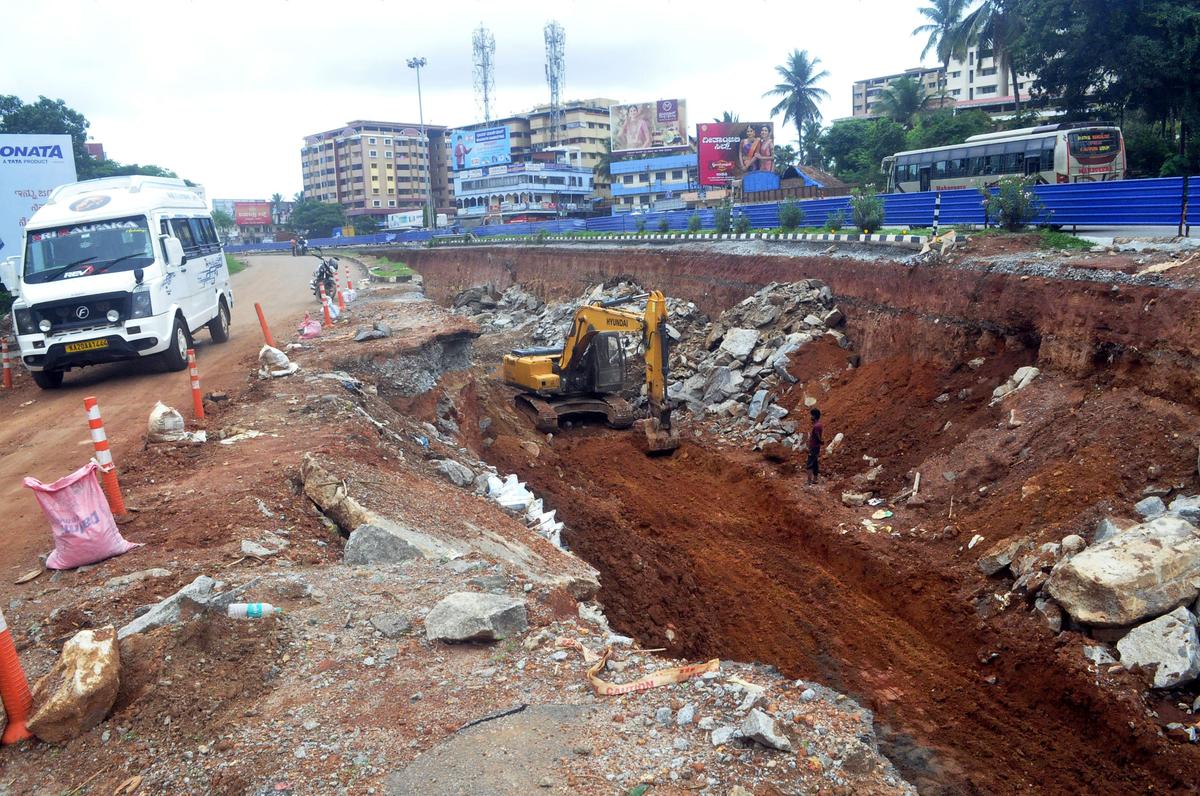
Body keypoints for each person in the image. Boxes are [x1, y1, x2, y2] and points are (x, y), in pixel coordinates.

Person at [806, 407, 824, 485]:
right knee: (815, 462)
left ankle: (809, 481)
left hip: (814, 447)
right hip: (816, 447)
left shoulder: (816, 426)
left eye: (812, 415)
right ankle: (815, 479)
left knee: (809, 464)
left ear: (814, 416)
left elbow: (817, 436)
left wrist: (820, 441)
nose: (811, 417)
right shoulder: (819, 425)